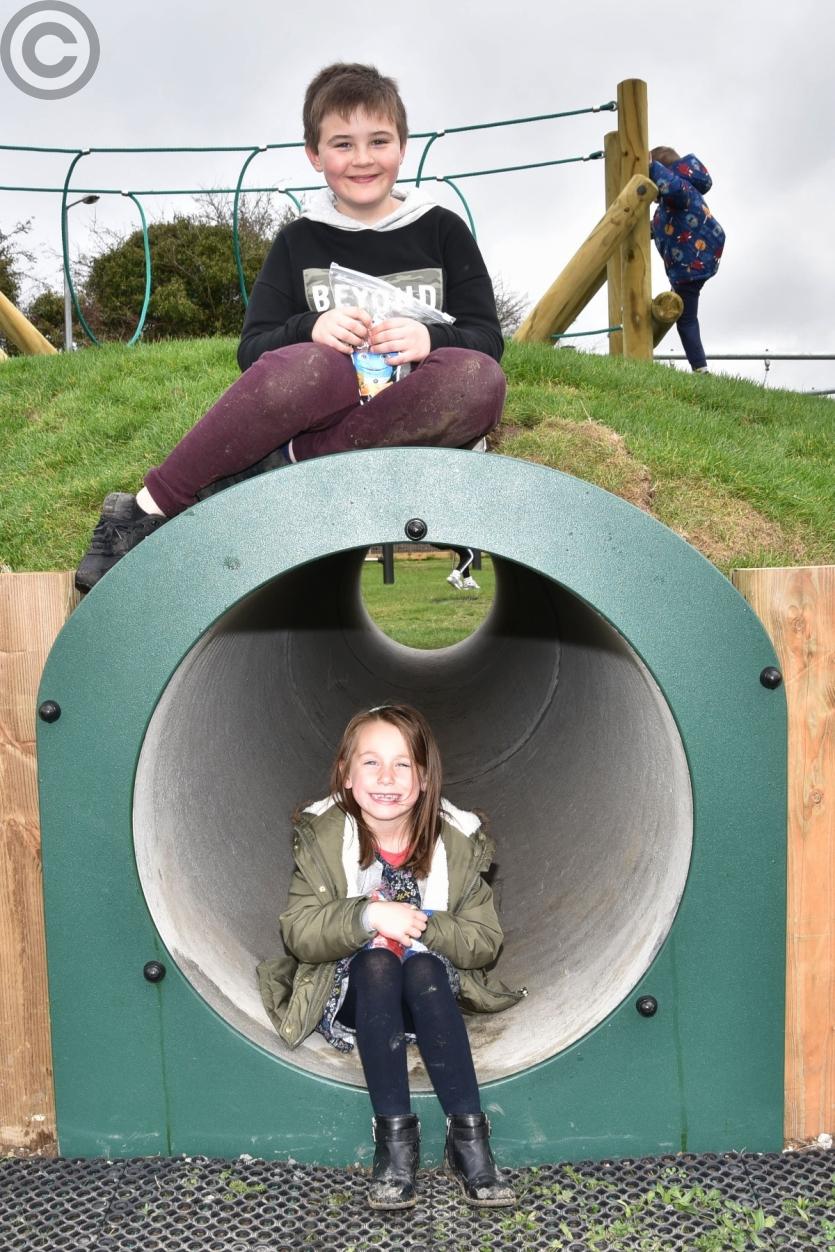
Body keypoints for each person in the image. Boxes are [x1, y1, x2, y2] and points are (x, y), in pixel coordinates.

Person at [75, 62, 506, 592]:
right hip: (327, 398)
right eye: (343, 144)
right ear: (315, 155)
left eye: (379, 141)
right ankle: (145, 510)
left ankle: (285, 463)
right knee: (307, 364)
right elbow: (252, 348)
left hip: (408, 407)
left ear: (402, 146)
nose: (363, 159)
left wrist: (431, 338)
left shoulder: (442, 229)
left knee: (478, 379)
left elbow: (487, 338)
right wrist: (311, 326)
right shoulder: (298, 241)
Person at [257, 704, 524, 1211]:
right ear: (346, 774)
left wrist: (422, 921)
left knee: (421, 967)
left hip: (426, 996)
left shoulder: (456, 843)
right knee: (379, 964)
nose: (387, 778)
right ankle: (395, 1144)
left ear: (423, 779)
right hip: (357, 992)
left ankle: (470, 1141)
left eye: (403, 765)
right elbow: (299, 930)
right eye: (371, 763)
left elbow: (485, 939)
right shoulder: (325, 837)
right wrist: (369, 918)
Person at [649, 147, 725, 373]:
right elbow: (664, 226)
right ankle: (699, 367)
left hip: (693, 263)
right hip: (690, 262)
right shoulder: (670, 203)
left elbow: (673, 188)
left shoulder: (680, 190)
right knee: (679, 309)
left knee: (685, 318)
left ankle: (700, 369)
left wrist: (650, 166)